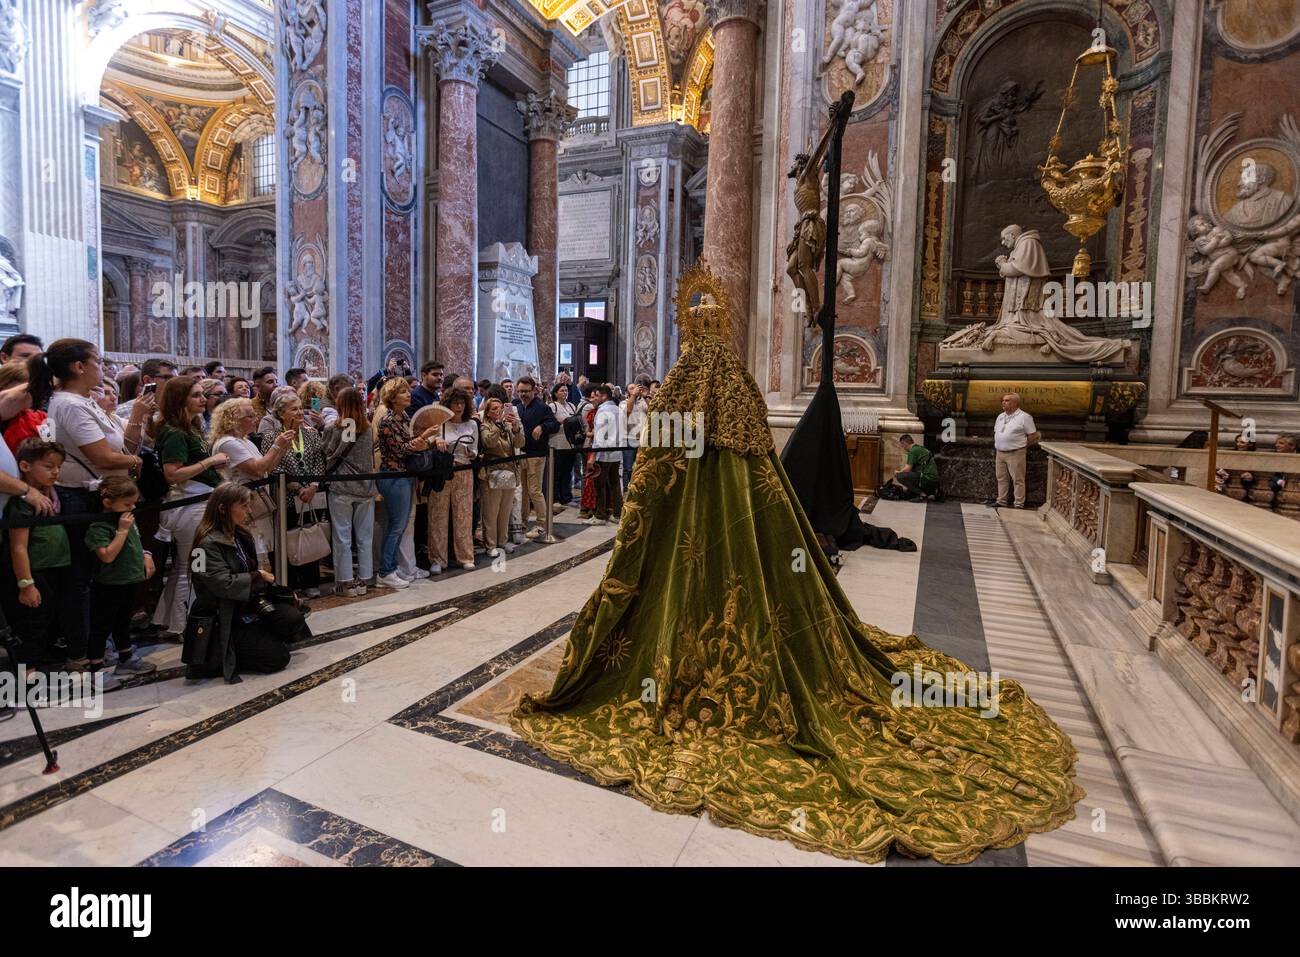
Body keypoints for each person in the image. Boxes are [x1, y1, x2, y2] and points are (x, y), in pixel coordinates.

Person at [510, 263, 1081, 864]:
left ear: (689, 330)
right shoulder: (736, 384)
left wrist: (640, 524)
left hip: (681, 545)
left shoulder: (681, 384)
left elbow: (655, 469)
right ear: (723, 329)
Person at [30, 340, 147, 668]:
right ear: (78, 367)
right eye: (96, 360)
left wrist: (136, 420)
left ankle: (102, 645)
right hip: (81, 497)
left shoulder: (85, 401)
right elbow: (101, 456)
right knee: (82, 579)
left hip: (95, 493)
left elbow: (120, 445)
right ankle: (82, 653)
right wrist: (133, 463)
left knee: (102, 577)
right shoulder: (70, 404)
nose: (101, 365)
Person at [186, 483, 310, 682]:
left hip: (246, 603)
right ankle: (220, 654)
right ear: (223, 508)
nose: (249, 511)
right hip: (224, 615)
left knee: (293, 618)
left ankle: (256, 637)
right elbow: (220, 585)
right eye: (243, 506)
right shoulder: (204, 544)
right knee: (277, 658)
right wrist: (258, 576)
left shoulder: (240, 534)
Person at [6, 439, 91, 675]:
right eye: (48, 466)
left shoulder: (51, 495)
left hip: (57, 567)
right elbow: (18, 547)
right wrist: (26, 584)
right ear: (24, 466)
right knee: (33, 626)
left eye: (58, 467)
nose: (55, 472)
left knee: (48, 622)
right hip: (36, 571)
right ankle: (27, 676)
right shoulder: (21, 504)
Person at [151, 375, 226, 636]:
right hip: (189, 503)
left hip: (199, 497)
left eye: (202, 394)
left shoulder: (190, 428)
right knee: (191, 567)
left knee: (186, 566)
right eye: (195, 395)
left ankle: (170, 620)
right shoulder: (174, 432)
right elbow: (172, 473)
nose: (203, 399)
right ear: (179, 399)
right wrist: (210, 462)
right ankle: (188, 625)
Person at [85, 475, 157, 676]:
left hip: (129, 580)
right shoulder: (99, 527)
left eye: (134, 503)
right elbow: (107, 556)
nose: (132, 507)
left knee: (123, 621)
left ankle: (126, 658)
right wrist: (122, 531)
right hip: (109, 584)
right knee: (101, 626)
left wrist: (146, 555)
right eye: (127, 503)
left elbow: (137, 542)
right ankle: (96, 670)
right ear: (108, 502)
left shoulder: (126, 519)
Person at [373, 377, 439, 590]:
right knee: (396, 526)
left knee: (401, 526)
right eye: (402, 392)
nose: (408, 394)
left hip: (406, 474)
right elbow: (400, 450)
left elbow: (411, 444)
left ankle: (395, 567)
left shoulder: (404, 417)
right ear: (392, 397)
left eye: (407, 391)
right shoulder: (388, 420)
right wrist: (425, 437)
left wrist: (424, 439)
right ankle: (385, 571)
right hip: (394, 475)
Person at [264, 390, 327, 597]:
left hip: (311, 496)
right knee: (288, 538)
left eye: (301, 408)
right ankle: (290, 584)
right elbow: (274, 467)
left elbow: (319, 460)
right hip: (287, 497)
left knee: (310, 534)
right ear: (281, 414)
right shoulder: (272, 436)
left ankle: (311, 582)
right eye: (294, 409)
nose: (300, 412)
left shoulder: (311, 433)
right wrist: (299, 488)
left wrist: (313, 486)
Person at [322, 387, 376, 596]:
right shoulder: (369, 428)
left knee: (342, 537)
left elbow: (328, 452)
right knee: (365, 537)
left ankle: (345, 583)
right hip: (365, 487)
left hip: (342, 488)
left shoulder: (335, 427)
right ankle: (364, 580)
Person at [426, 388, 478, 573]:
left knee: (463, 515)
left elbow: (475, 451)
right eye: (455, 402)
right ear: (447, 404)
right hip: (442, 472)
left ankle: (465, 556)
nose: (459, 406)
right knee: (438, 515)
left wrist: (470, 453)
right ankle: (437, 559)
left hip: (464, 471)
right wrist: (436, 441)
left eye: (462, 402)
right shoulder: (439, 424)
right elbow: (428, 440)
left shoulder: (471, 424)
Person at [511, 376, 558, 538]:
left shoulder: (542, 407)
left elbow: (554, 424)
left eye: (526, 391)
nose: (523, 394)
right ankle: (523, 521)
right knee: (522, 490)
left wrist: (542, 427)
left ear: (534, 391)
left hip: (536, 455)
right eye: (520, 391)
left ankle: (541, 523)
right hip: (521, 453)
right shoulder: (518, 406)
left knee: (534, 490)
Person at [477, 396, 523, 554]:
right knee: (491, 511)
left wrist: (516, 427)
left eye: (500, 408)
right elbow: (488, 443)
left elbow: (520, 443)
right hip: (492, 472)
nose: (499, 411)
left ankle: (502, 542)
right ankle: (490, 545)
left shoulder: (508, 426)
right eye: (494, 409)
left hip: (509, 471)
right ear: (488, 413)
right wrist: (498, 425)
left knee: (505, 510)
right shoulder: (485, 426)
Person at [991, 392, 1037, 509]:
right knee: (1001, 478)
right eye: (1003, 400)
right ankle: (1001, 501)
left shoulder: (1024, 417)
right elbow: (997, 432)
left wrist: (1020, 447)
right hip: (1000, 452)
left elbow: (1032, 436)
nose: (1003, 402)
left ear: (1015, 403)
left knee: (1018, 479)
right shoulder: (1000, 416)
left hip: (1016, 452)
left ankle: (1019, 503)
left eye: (1007, 400)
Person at [587, 382, 622, 524]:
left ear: (604, 396)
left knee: (600, 484)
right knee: (614, 484)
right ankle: (617, 514)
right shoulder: (617, 409)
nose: (595, 399)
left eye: (597, 396)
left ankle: (600, 515)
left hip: (604, 453)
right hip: (617, 452)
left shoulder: (602, 411)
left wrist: (593, 456)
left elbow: (599, 436)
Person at [548, 382, 577, 509]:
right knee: (556, 473)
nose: (564, 393)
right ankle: (555, 498)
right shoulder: (552, 406)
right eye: (561, 391)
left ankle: (566, 497)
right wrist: (563, 421)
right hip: (557, 443)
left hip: (570, 444)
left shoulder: (571, 406)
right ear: (555, 393)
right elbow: (550, 422)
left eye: (566, 390)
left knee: (567, 472)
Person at [622, 375, 651, 491]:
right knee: (628, 468)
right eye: (631, 388)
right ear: (627, 392)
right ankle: (626, 489)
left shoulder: (643, 402)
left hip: (643, 438)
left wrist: (645, 396)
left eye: (636, 388)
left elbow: (653, 409)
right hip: (629, 438)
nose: (635, 389)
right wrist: (633, 395)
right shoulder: (623, 403)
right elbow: (628, 411)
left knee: (641, 467)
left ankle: (639, 489)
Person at [893, 434, 941, 501]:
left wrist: (898, 472)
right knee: (907, 495)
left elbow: (907, 469)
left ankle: (922, 495)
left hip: (928, 478)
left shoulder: (913, 451)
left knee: (900, 476)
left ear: (904, 443)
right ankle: (931, 492)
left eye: (902, 445)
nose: (903, 448)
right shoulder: (919, 448)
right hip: (933, 479)